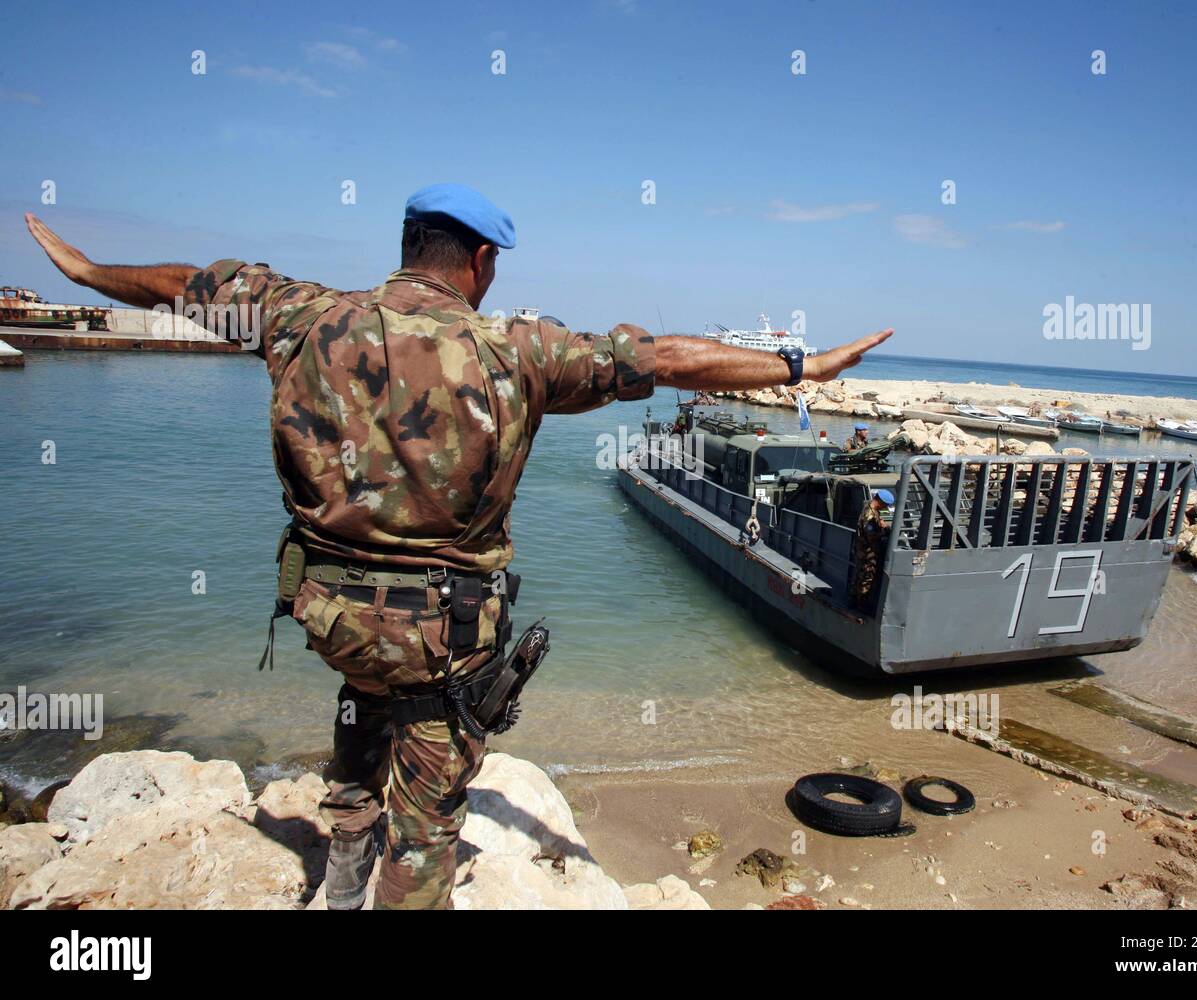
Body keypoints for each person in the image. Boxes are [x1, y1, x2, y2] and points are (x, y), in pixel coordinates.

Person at [24, 188, 893, 909]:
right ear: (480, 263)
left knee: (364, 702)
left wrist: (87, 270)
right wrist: (800, 368)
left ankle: (341, 867)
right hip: (442, 636)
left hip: (329, 615)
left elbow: (186, 282)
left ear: (408, 246)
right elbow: (666, 358)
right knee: (428, 816)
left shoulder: (300, 316)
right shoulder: (519, 352)